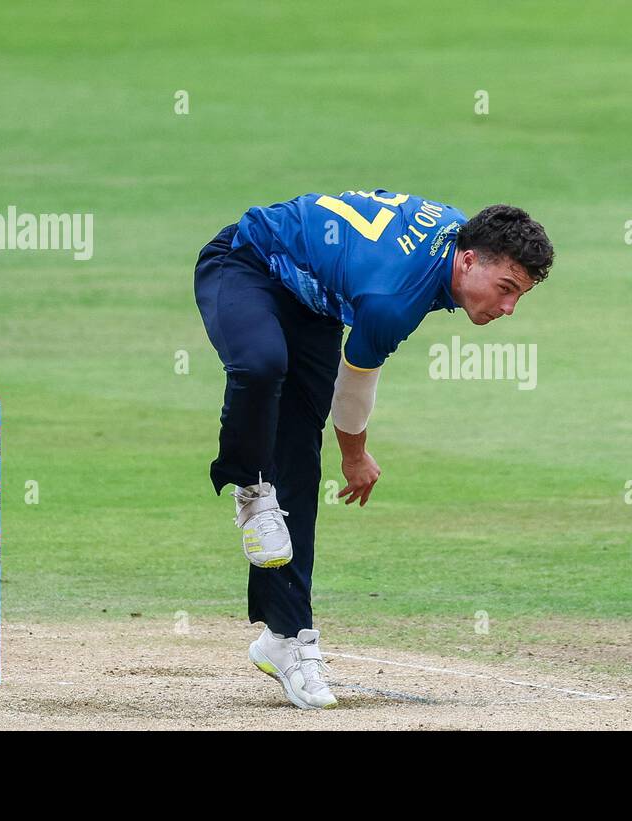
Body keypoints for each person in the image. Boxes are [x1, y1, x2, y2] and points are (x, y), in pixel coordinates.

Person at [193, 189, 554, 708]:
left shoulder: (455, 238)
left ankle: (286, 639)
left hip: (313, 300)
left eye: (519, 295)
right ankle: (248, 488)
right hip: (247, 263)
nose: (509, 308)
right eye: (505, 289)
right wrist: (355, 456)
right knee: (260, 364)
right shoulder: (393, 298)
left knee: (296, 463)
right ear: (469, 259)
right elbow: (354, 386)